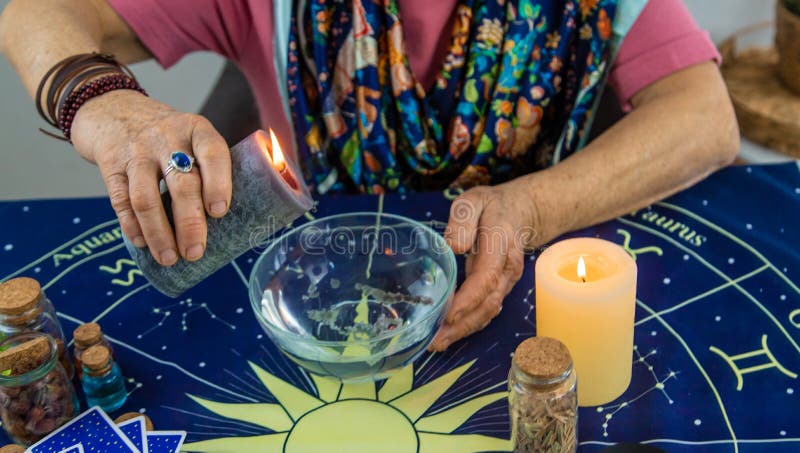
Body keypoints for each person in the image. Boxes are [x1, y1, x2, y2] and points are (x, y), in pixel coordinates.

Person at [0, 0, 739, 351]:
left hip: (511, 298)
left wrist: (530, 207)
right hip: (317, 300)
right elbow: (40, 12)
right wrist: (102, 101)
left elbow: (705, 119)